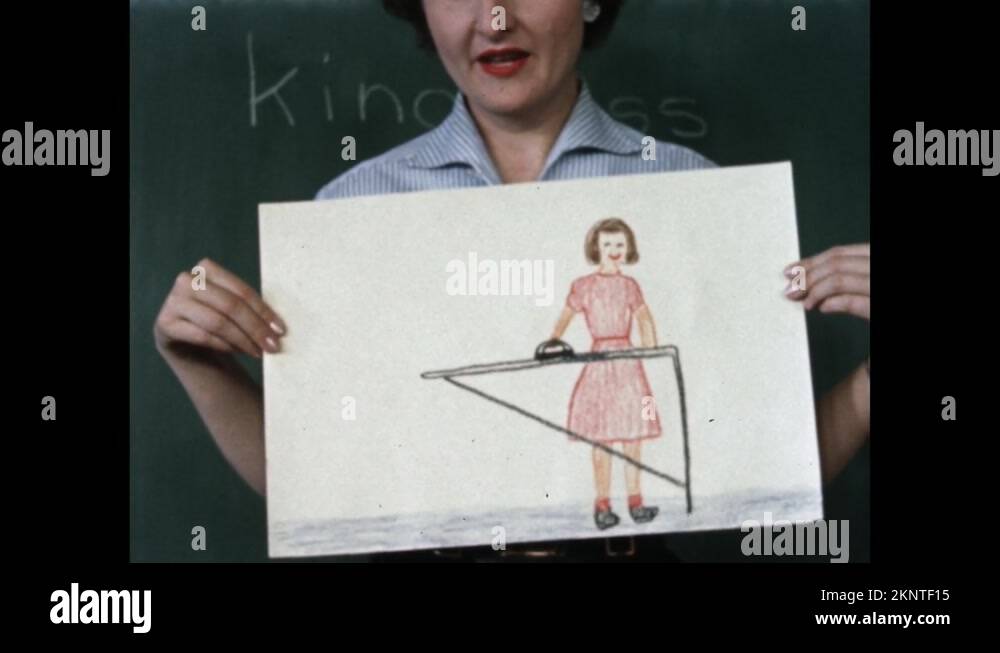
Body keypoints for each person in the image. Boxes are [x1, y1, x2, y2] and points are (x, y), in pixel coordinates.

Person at [153, 0, 869, 554]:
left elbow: (768, 471)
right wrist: (197, 363)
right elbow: (317, 488)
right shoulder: (351, 212)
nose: (495, 18)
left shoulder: (692, 195)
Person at [549, 218, 662, 530]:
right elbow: (565, 317)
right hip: (598, 364)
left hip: (629, 366)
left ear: (629, 249)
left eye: (620, 245)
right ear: (596, 248)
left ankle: (636, 503)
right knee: (601, 438)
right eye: (608, 244)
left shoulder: (629, 286)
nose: (614, 250)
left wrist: (650, 347)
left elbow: (645, 319)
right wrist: (554, 342)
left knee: (635, 434)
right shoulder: (583, 286)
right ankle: (602, 506)